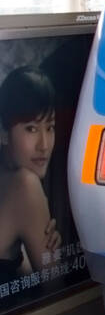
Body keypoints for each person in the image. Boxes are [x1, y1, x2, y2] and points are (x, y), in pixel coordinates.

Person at [0, 66, 61, 281]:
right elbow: (55, 291)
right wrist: (54, 255)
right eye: (31, 129)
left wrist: (30, 240)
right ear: (4, 132)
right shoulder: (25, 185)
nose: (44, 145)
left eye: (50, 127)